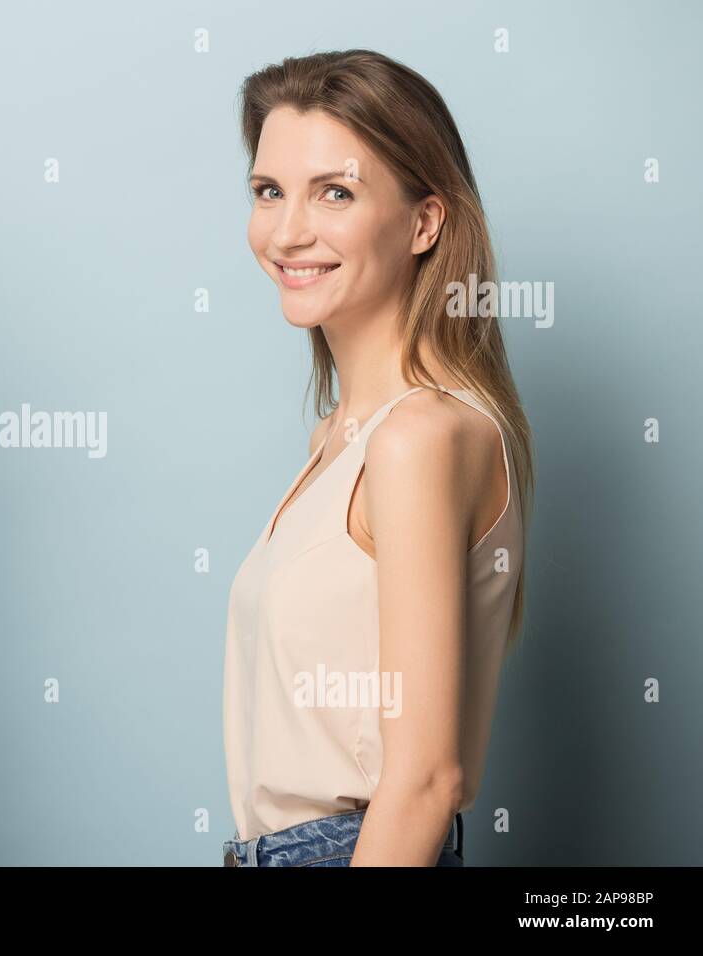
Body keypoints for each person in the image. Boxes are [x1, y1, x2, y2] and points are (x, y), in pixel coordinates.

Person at [221, 50, 535, 867]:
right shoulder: (339, 437)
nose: (288, 231)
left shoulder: (419, 438)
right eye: (269, 191)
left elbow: (427, 780)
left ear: (424, 222)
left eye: (336, 192)